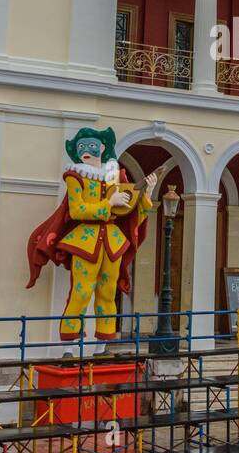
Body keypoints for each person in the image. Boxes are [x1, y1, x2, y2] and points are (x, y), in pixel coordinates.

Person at [25, 127, 157, 341]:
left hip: (112, 242)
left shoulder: (116, 177)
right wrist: (108, 203)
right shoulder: (76, 177)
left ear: (102, 148)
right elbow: (77, 210)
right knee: (81, 291)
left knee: (107, 292)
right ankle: (68, 345)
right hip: (85, 241)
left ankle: (102, 345)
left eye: (92, 145)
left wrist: (147, 193)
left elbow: (131, 212)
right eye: (81, 146)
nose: (86, 149)